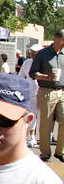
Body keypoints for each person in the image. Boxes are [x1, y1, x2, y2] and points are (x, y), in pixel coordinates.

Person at [29, 30, 64, 161]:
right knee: (46, 123)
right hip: (46, 91)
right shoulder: (43, 54)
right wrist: (46, 77)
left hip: (62, 91)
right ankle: (45, 152)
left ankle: (61, 151)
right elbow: (33, 73)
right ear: (56, 39)